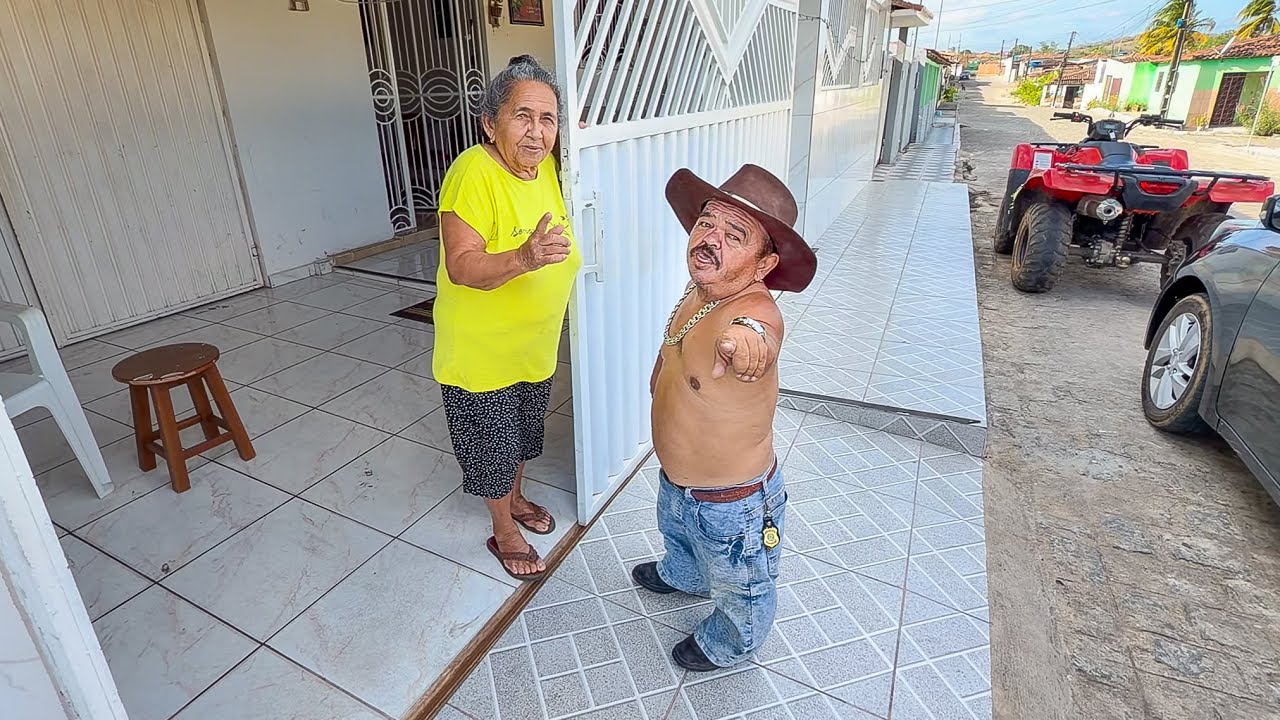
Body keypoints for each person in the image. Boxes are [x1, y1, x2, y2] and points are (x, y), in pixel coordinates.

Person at [633, 164, 817, 671]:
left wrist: (749, 343)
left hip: (731, 503)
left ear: (763, 265)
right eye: (707, 222)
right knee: (679, 536)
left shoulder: (755, 310)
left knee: (743, 584)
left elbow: (760, 333)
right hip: (677, 484)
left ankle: (734, 638)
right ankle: (685, 574)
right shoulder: (700, 290)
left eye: (734, 235)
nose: (710, 238)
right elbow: (677, 345)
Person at [433, 55, 580, 582]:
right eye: (523, 116)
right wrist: (525, 258)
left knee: (519, 435)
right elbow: (462, 264)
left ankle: (516, 499)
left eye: (548, 119)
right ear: (489, 123)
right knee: (491, 442)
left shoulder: (548, 172)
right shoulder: (473, 172)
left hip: (530, 346)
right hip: (482, 350)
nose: (537, 133)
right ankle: (504, 529)